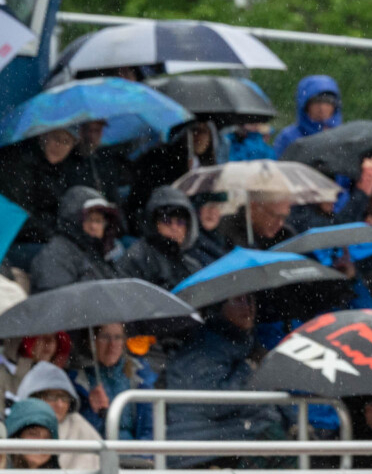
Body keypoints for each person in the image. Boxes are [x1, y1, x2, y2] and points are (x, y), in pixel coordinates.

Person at [160, 296, 285, 450]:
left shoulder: (246, 344)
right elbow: (214, 404)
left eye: (251, 300)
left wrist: (294, 423)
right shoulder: (204, 347)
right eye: (239, 300)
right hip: (202, 447)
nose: (249, 307)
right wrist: (248, 365)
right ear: (219, 306)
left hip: (234, 438)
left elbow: (268, 392)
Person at [0, 128, 82, 265]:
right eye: (56, 138)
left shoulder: (61, 170)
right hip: (16, 242)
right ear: (43, 137)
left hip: (40, 237)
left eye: (66, 142)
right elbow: (18, 217)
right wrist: (53, 231)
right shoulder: (19, 163)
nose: (59, 146)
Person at [69, 323, 156, 439]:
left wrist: (141, 455)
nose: (112, 344)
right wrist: (94, 411)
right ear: (91, 343)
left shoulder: (139, 376)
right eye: (104, 337)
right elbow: (80, 435)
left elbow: (149, 429)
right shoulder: (78, 381)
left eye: (118, 337)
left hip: (132, 452)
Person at [30, 186, 119, 292]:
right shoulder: (56, 254)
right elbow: (56, 302)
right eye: (89, 219)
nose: (94, 226)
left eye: (99, 221)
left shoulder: (100, 255)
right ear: (74, 220)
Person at [16, 364, 101, 471]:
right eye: (51, 396)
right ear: (34, 397)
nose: (59, 404)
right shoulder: (20, 426)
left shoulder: (78, 424)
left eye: (64, 397)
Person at [117, 186, 199, 294]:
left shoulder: (191, 265)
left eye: (180, 222)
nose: (174, 227)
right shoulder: (136, 258)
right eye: (167, 220)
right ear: (154, 223)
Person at [273, 75, 342, 155]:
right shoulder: (288, 137)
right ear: (305, 105)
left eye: (328, 102)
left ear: (335, 106)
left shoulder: (344, 136)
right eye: (316, 102)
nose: (322, 108)